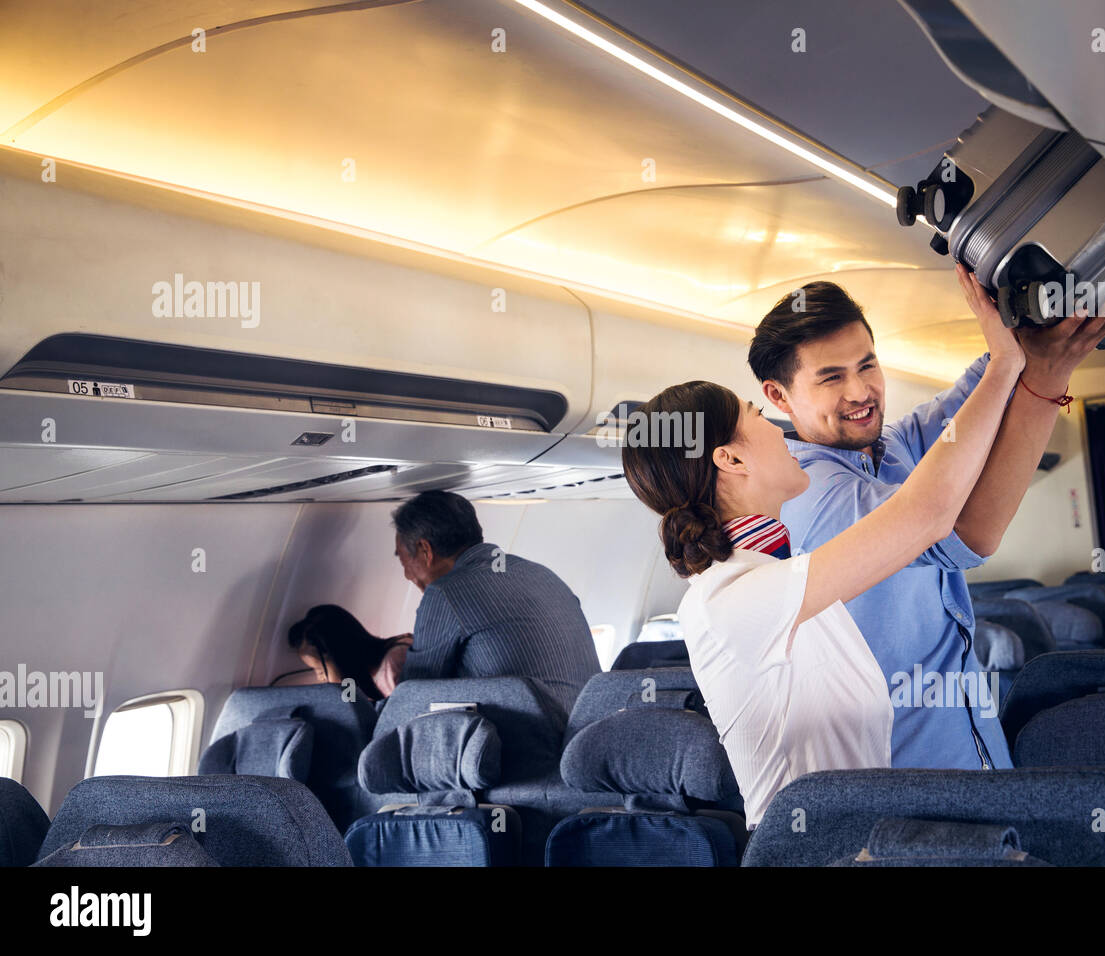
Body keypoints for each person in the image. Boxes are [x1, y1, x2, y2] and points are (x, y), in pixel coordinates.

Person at [620, 292, 1026, 829]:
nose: (776, 428)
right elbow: (928, 517)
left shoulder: (773, 572)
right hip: (819, 847)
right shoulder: (731, 599)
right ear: (731, 458)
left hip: (864, 832)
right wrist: (1006, 366)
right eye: (757, 415)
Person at [750, 264, 1105, 770]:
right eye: (832, 378)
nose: (860, 392)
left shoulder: (894, 445)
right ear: (778, 396)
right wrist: (1029, 370)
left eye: (867, 366)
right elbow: (965, 537)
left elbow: (977, 395)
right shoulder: (809, 495)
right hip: (903, 787)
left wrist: (1024, 331)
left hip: (976, 753)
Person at [392, 490, 601, 715]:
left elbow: (411, 701)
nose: (407, 576)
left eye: (404, 561)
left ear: (425, 550)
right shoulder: (544, 574)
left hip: (531, 744)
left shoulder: (446, 592)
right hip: (591, 735)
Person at [278, 604, 412, 700]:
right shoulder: (359, 681)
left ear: (340, 657)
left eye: (320, 670)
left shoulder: (394, 665)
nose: (320, 678)